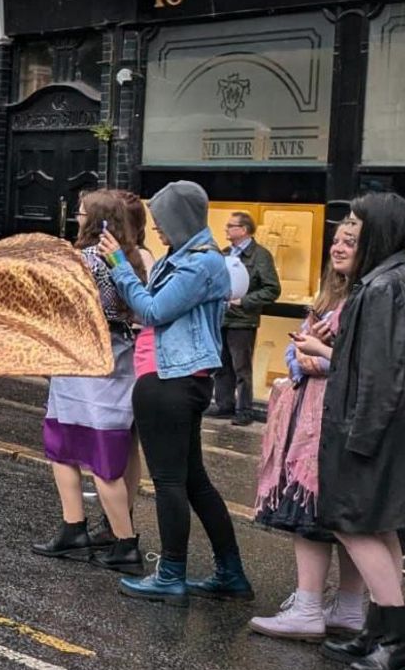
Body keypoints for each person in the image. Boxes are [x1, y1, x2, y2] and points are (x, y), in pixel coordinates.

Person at [99, 182, 250, 605]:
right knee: (194, 481)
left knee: (169, 483)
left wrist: (118, 265)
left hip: (170, 380)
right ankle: (230, 572)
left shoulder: (200, 264)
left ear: (182, 219)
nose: (158, 229)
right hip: (177, 377)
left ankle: (170, 574)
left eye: (164, 221)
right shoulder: (190, 257)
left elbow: (152, 311)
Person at [316, 193, 405, 670]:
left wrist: (358, 436)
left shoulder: (385, 284)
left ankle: (397, 640)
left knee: (355, 524)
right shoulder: (402, 274)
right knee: (377, 524)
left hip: (376, 427)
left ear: (379, 230)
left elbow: (381, 372)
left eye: (356, 223)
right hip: (397, 425)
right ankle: (380, 629)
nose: (349, 230)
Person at [248, 221, 367, 642]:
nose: (337, 248)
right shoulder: (338, 295)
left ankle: (308, 605)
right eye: (336, 241)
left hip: (328, 419)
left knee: (313, 515)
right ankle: (349, 607)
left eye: (349, 242)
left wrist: (308, 358)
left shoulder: (362, 297)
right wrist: (301, 352)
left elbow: (358, 365)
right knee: (343, 521)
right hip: (325, 413)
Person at [35, 190, 147, 573]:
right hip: (120, 358)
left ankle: (109, 538)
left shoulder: (82, 259)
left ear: (96, 219)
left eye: (81, 212)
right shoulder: (130, 258)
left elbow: (58, 306)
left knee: (69, 445)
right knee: (114, 449)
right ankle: (115, 533)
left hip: (82, 361)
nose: (76, 218)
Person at [206, 211, 280, 425]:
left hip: (243, 320)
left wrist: (245, 301)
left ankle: (245, 409)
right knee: (221, 365)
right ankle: (224, 405)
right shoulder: (225, 252)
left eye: (231, 226)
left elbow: (272, 289)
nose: (226, 229)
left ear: (244, 230)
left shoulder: (260, 255)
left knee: (242, 368)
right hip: (222, 317)